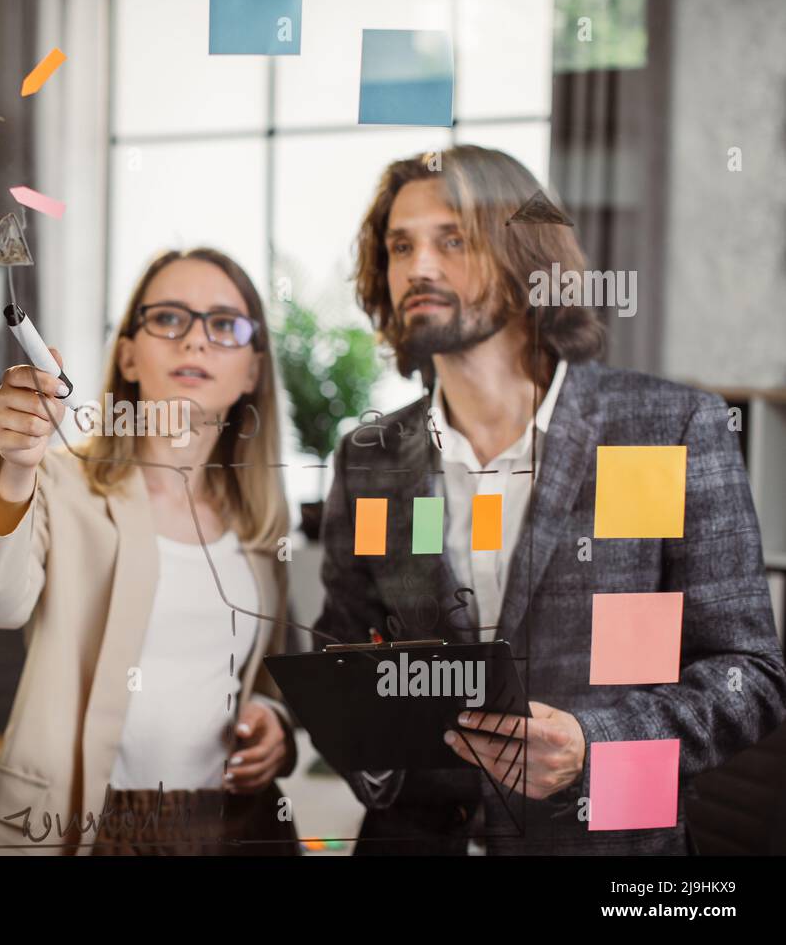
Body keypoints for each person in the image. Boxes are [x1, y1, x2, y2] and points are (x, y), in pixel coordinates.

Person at [314, 145, 786, 854]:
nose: (420, 268)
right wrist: (375, 758)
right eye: (400, 245)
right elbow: (342, 651)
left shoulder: (664, 431)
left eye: (454, 239)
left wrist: (592, 745)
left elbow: (748, 676)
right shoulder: (370, 457)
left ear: (527, 259)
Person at [0, 248, 300, 855]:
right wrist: (15, 469)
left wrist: (277, 724)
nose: (195, 342)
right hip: (82, 824)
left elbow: (267, 674)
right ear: (129, 354)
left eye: (225, 325)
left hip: (231, 826)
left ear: (253, 370)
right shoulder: (60, 482)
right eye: (168, 319)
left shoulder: (262, 522)